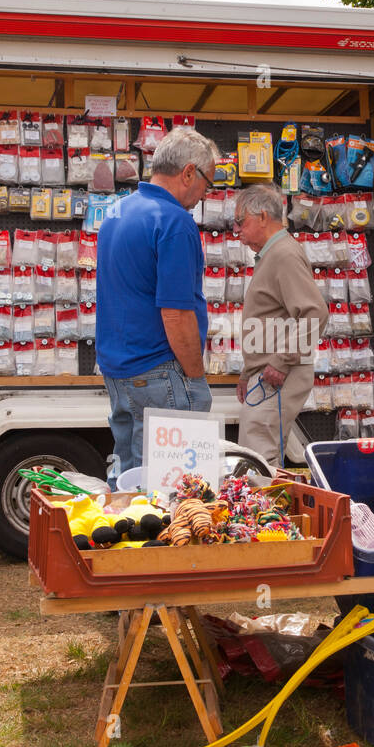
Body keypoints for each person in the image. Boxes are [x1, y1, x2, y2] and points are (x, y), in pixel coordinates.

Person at [96, 126, 220, 481]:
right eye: (207, 184)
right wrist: (196, 376)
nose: (203, 195)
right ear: (188, 173)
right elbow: (177, 313)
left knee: (130, 475)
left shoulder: (118, 212)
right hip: (160, 369)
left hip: (119, 368)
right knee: (172, 487)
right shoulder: (175, 222)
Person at [234, 184, 328, 468]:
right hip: (269, 374)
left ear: (263, 216)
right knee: (261, 456)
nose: (237, 231)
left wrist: (280, 360)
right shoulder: (275, 253)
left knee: (258, 459)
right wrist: (248, 372)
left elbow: (315, 313)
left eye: (241, 222)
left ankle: (268, 512)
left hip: (277, 376)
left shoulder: (283, 254)